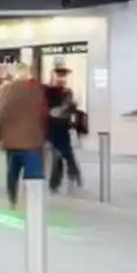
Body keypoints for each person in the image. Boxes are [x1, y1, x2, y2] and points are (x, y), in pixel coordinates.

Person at [0, 63, 48, 208]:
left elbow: (0, 114)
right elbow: (44, 114)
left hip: (12, 142)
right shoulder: (37, 89)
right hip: (32, 141)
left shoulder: (7, 90)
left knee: (12, 173)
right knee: (33, 175)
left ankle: (12, 200)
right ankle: (34, 205)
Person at [44, 62, 82, 193]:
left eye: (63, 76)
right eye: (59, 75)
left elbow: (70, 108)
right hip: (52, 127)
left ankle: (70, 177)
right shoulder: (48, 91)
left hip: (62, 127)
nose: (62, 78)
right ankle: (65, 180)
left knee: (64, 153)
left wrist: (66, 109)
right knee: (60, 155)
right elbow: (47, 109)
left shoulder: (67, 92)